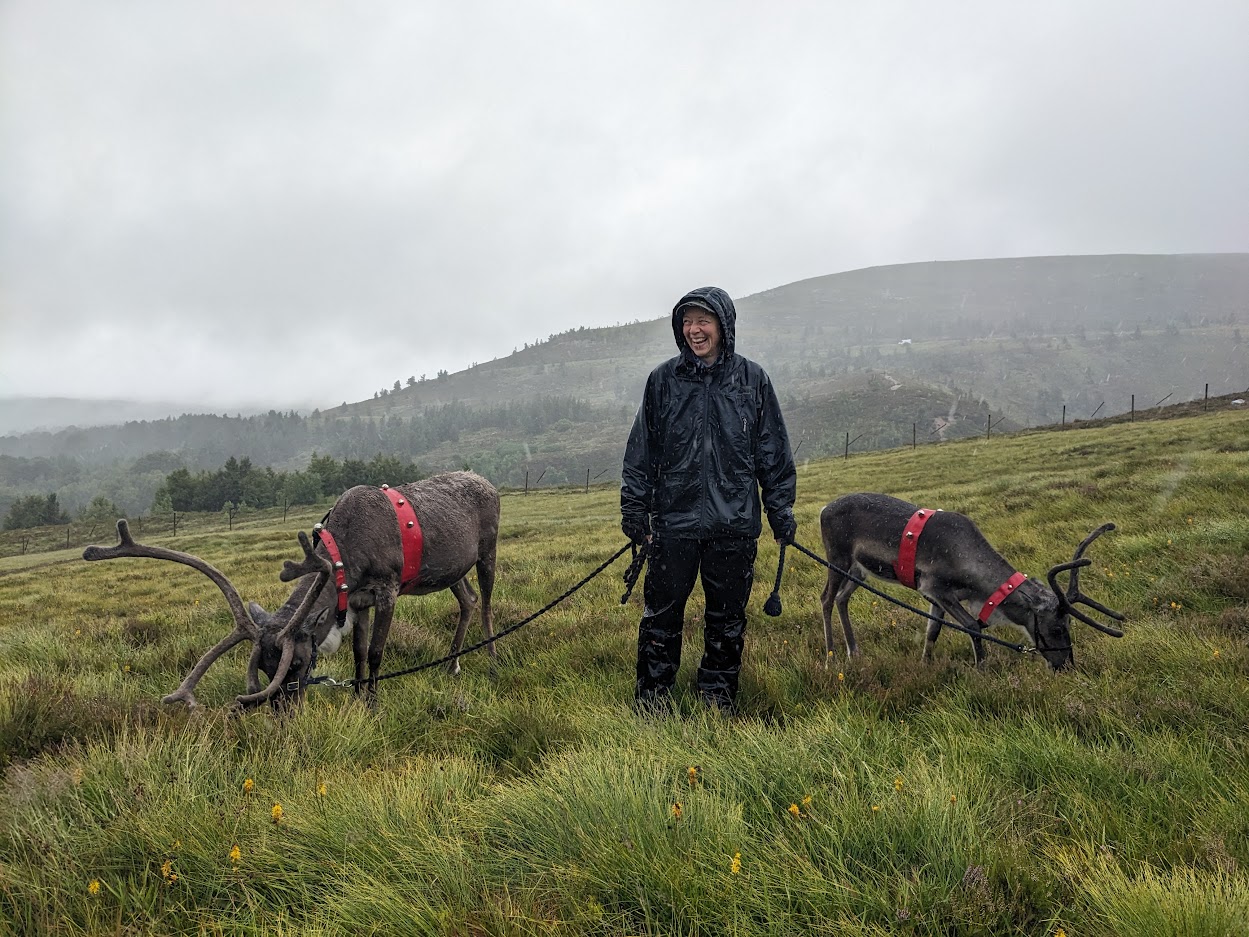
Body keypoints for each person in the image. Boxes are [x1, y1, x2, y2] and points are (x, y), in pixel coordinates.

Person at [620, 286, 797, 713]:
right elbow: (642, 450)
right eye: (687, 322)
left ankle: (717, 699)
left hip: (733, 525)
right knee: (661, 617)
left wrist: (780, 509)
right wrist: (634, 508)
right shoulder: (663, 380)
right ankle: (653, 702)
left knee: (727, 620)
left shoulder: (753, 380)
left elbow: (772, 452)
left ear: (724, 325)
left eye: (703, 321)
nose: (694, 330)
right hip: (672, 523)